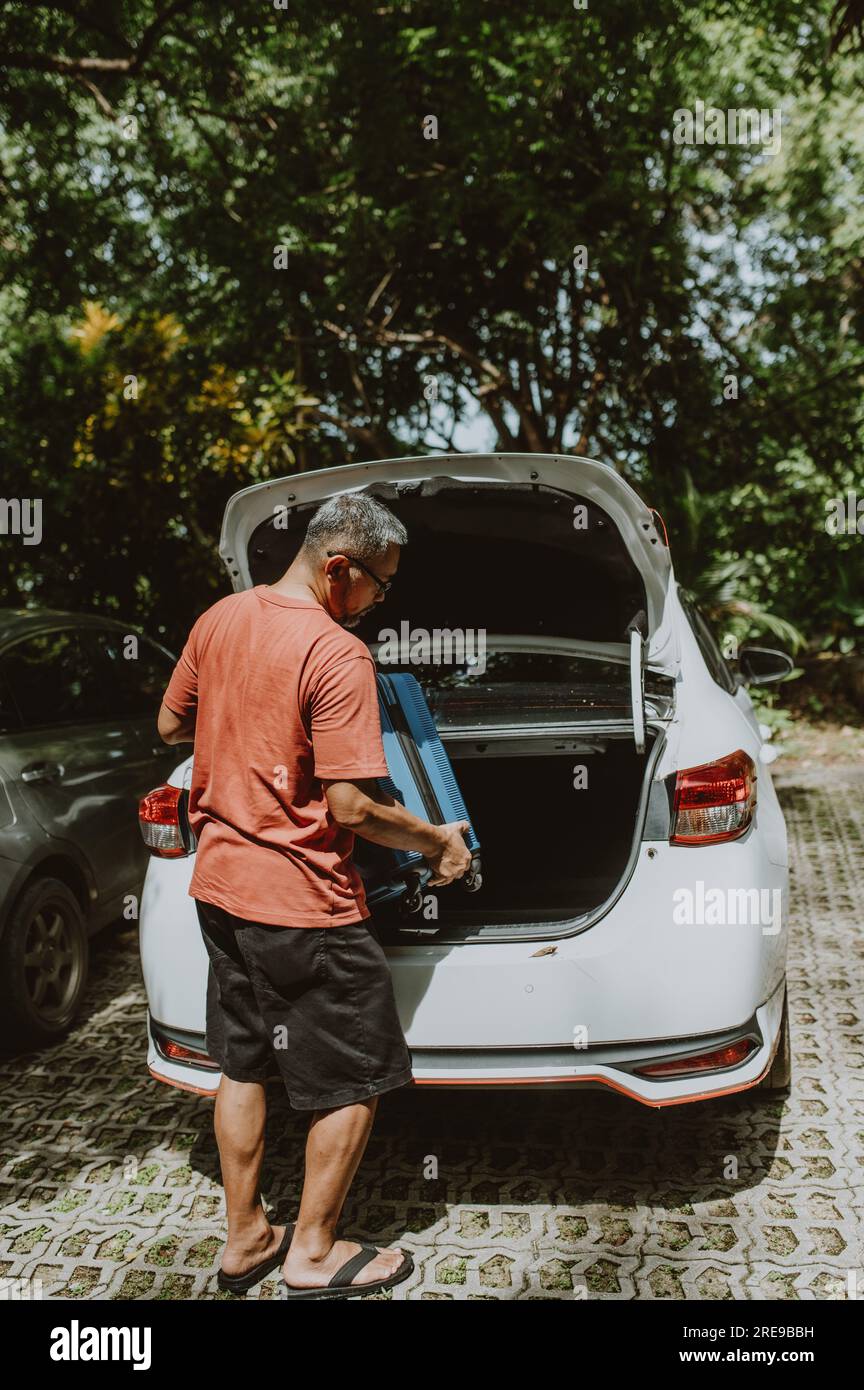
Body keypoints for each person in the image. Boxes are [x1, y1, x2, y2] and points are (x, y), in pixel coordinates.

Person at [156, 491, 471, 1299]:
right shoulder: (337, 654)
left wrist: (246, 733)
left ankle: (246, 1239)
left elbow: (169, 727)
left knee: (244, 1065)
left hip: (219, 890)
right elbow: (353, 809)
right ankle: (314, 1254)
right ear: (339, 570)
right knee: (359, 1078)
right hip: (302, 904)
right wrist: (440, 840)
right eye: (381, 584)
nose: (381, 601)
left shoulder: (218, 619)